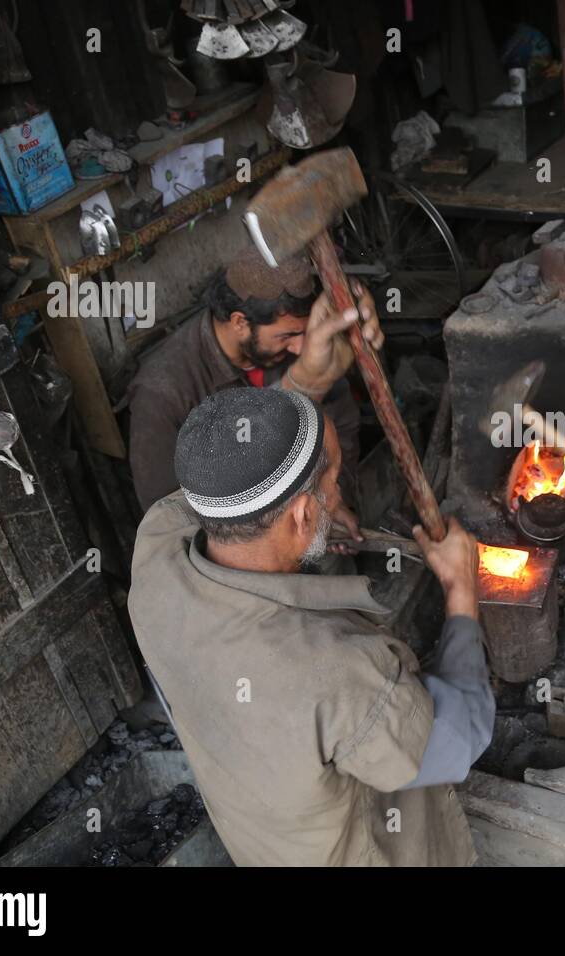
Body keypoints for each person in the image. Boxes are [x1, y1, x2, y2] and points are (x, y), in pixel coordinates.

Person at [128, 387, 493, 865]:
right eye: (335, 483)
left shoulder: (155, 547)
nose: (340, 494)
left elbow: (235, 475)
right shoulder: (338, 672)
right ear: (300, 513)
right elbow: (462, 739)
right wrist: (461, 592)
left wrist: (314, 525)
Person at [127, 246, 383, 549]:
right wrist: (273, 535)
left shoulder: (300, 351)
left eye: (303, 334)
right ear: (239, 323)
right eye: (286, 336)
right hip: (235, 560)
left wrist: (332, 499)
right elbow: (168, 516)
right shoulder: (163, 394)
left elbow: (342, 424)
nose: (300, 349)